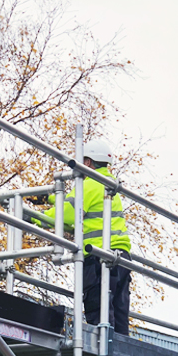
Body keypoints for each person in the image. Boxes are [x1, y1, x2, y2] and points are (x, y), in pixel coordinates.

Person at [44, 138, 132, 335]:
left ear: (89, 163)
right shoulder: (108, 186)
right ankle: (118, 352)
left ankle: (102, 348)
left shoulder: (91, 184)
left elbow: (66, 214)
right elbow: (77, 211)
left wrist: (34, 218)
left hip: (99, 256)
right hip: (122, 257)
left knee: (98, 308)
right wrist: (50, 199)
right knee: (118, 312)